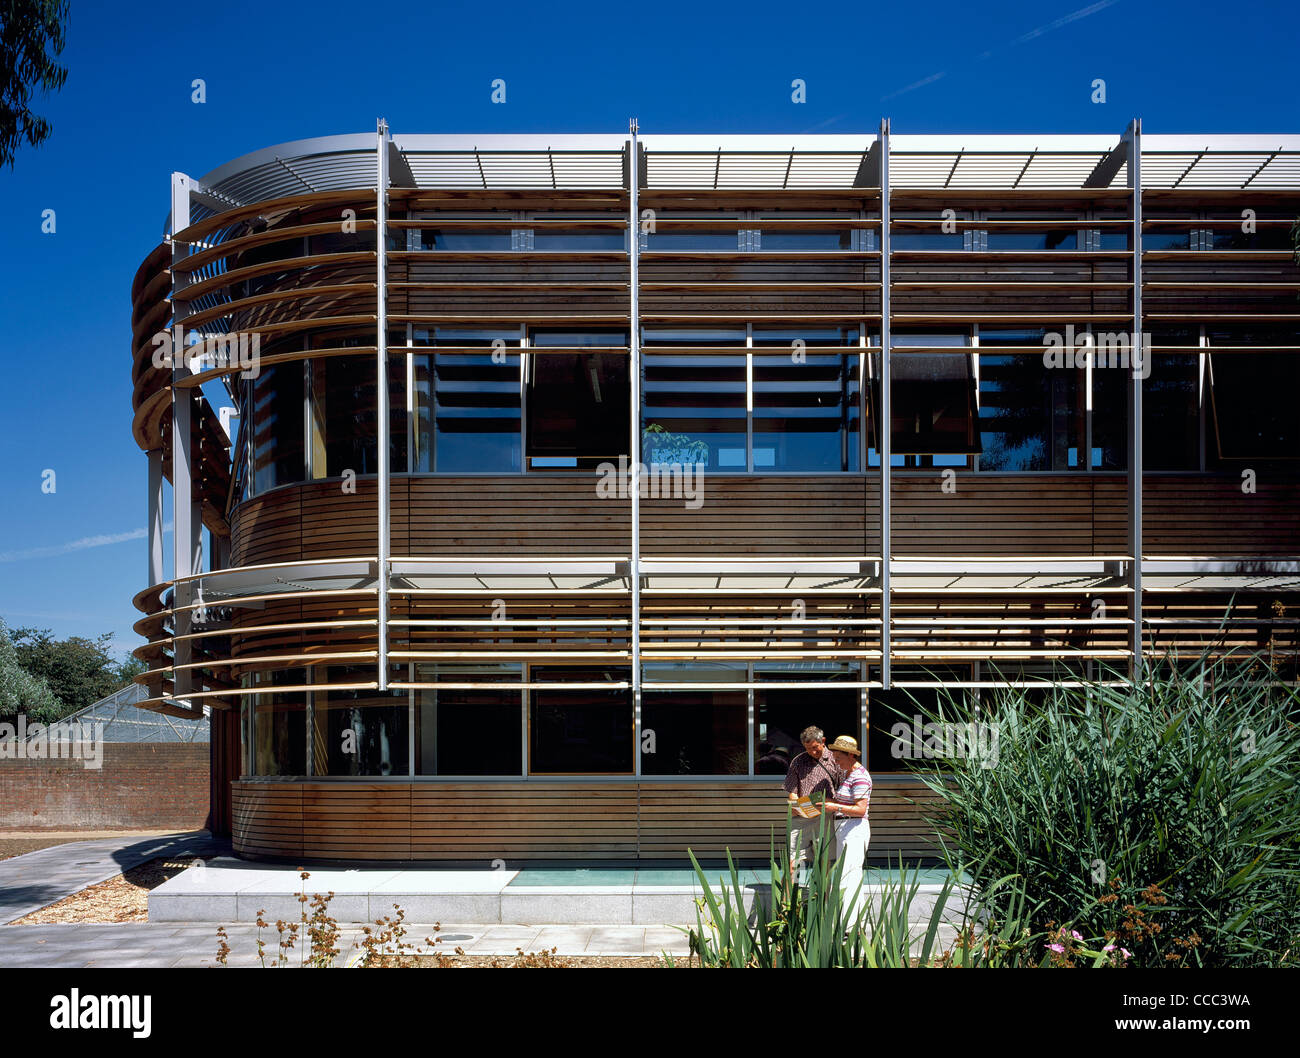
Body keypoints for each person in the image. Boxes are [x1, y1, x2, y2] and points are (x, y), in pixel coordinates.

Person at [819, 735, 872, 907]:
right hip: (845, 828)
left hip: (854, 829)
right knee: (847, 875)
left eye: (839, 758)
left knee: (848, 876)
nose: (836, 761)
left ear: (850, 755)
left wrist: (834, 808)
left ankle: (850, 926)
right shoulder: (848, 774)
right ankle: (850, 924)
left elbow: (861, 809)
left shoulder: (860, 777)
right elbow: (847, 802)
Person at [782, 726, 844, 873]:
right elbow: (792, 792)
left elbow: (843, 792)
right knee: (793, 863)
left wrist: (831, 803)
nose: (812, 752)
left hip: (826, 817)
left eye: (815, 747)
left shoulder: (835, 761)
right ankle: (791, 895)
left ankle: (823, 895)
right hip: (801, 817)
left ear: (823, 741)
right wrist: (798, 807)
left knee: (824, 863)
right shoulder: (798, 761)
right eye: (808, 748)